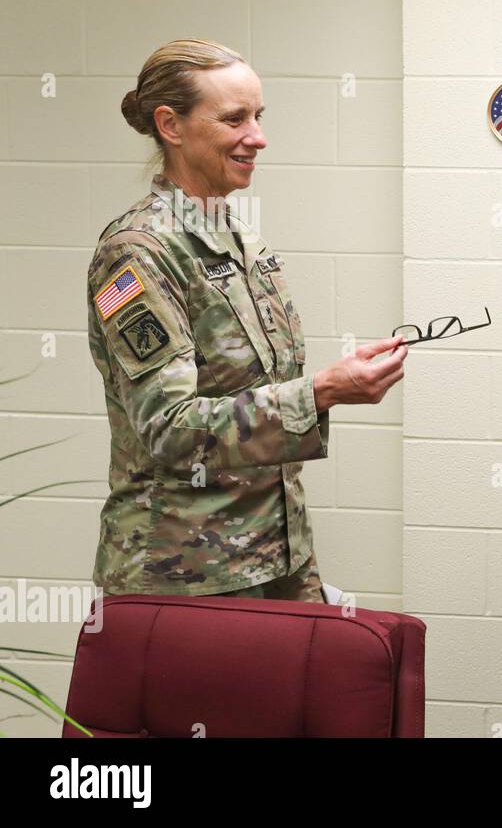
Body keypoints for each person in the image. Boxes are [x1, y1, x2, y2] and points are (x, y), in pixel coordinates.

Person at [88, 39, 407, 601]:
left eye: (258, 116)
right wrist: (322, 393)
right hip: (186, 574)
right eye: (235, 118)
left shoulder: (237, 234)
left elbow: (258, 388)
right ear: (171, 125)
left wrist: (326, 384)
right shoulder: (139, 251)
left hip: (276, 553)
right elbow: (169, 428)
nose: (257, 136)